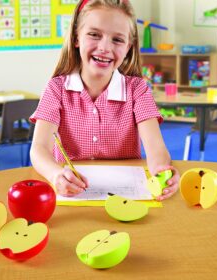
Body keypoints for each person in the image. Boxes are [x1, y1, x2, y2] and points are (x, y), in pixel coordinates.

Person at [30, 0, 179, 200]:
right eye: (94, 34)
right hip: (73, 194)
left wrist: (162, 170)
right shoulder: (56, 88)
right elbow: (39, 149)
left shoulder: (137, 89)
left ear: (128, 47)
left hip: (126, 196)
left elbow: (156, 148)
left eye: (117, 40)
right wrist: (55, 173)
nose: (104, 47)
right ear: (76, 38)